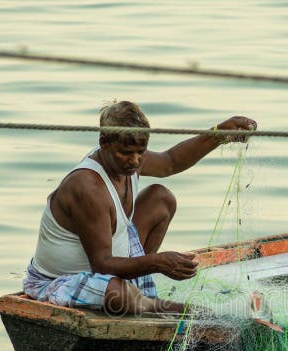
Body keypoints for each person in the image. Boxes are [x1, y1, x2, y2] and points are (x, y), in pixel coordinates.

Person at [22, 100, 257, 314]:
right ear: (104, 143)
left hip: (110, 264)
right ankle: (190, 310)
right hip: (58, 281)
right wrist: (157, 262)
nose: (134, 161)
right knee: (120, 295)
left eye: (140, 152)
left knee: (161, 199)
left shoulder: (130, 162)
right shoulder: (88, 187)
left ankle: (140, 291)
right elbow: (102, 264)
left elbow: (170, 162)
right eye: (125, 153)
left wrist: (220, 133)